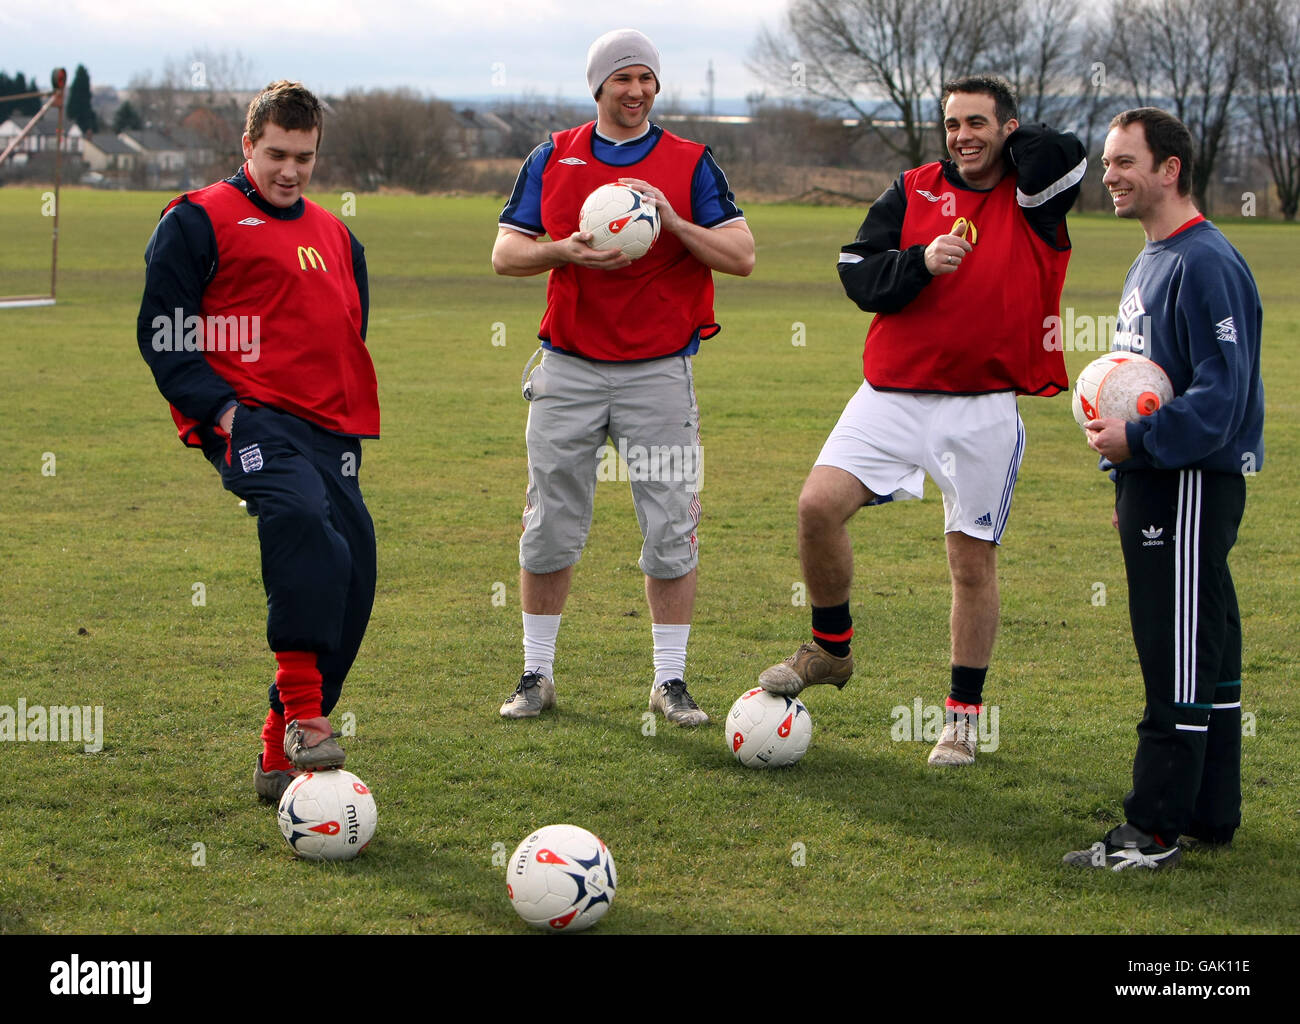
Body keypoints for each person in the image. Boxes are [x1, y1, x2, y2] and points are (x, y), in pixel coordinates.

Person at [759, 75, 1086, 767]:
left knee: (969, 561)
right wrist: (919, 262)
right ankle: (830, 649)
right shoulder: (911, 191)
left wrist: (1015, 141)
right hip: (890, 394)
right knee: (816, 505)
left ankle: (961, 720)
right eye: (951, 124)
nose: (962, 136)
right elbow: (855, 271)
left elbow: (1071, 153)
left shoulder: (1035, 199)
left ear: (1009, 128)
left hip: (982, 406)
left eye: (977, 123)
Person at [491, 28, 755, 726]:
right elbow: (504, 254)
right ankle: (535, 675)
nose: (635, 91)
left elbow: (741, 254)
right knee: (548, 524)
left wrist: (671, 220)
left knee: (671, 526)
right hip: (568, 369)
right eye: (622, 80)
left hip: (659, 374)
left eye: (646, 79)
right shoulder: (553, 155)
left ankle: (670, 683)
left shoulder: (690, 161)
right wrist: (563, 251)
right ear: (597, 88)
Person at [136, 80, 378, 802]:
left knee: (352, 577)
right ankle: (306, 714)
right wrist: (225, 413)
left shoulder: (338, 235)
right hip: (251, 420)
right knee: (300, 518)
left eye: (303, 157)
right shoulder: (196, 219)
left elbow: (346, 326)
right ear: (247, 145)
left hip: (329, 429)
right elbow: (162, 332)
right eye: (275, 154)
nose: (289, 171)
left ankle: (278, 750)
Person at [1064, 108, 1264, 871]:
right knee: (1207, 645)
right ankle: (1212, 811)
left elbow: (1223, 393)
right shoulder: (1152, 257)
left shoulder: (1205, 260)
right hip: (1154, 483)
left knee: (1175, 652)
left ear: (1169, 169)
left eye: (1123, 162)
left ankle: (1150, 832)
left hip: (1187, 485)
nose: (1109, 176)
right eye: (1107, 163)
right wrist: (1121, 450)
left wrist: (1142, 441)